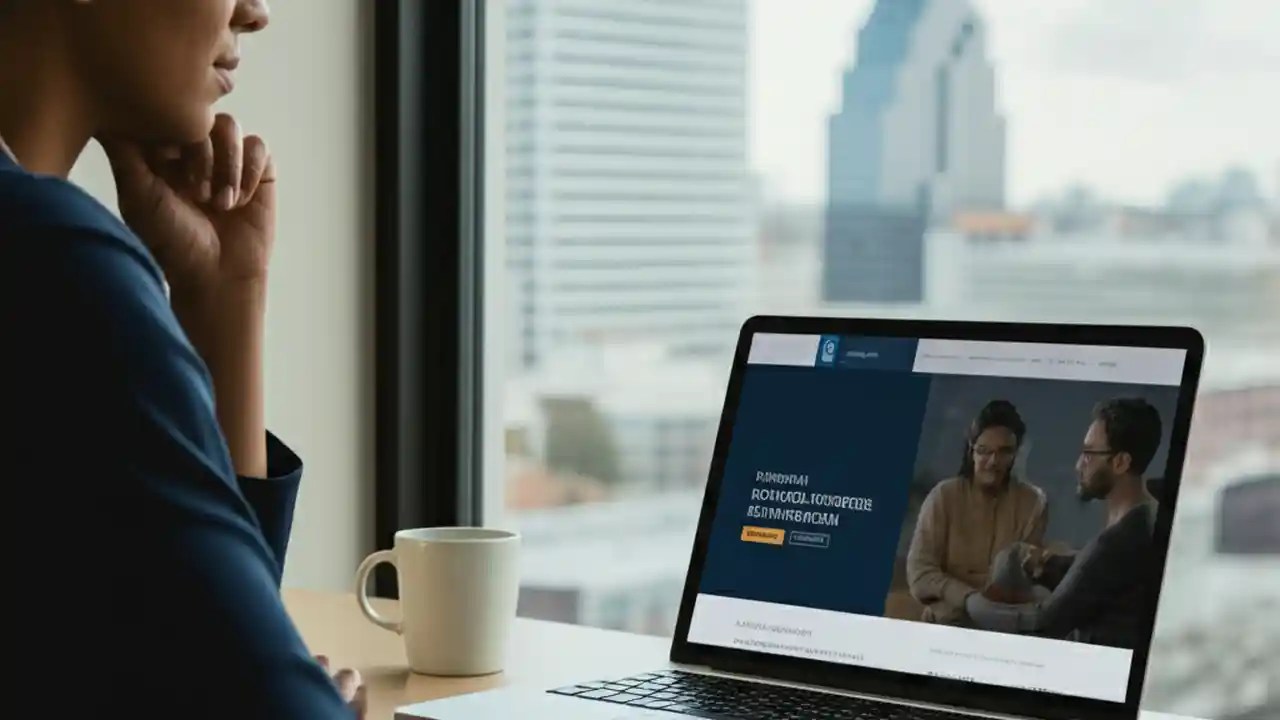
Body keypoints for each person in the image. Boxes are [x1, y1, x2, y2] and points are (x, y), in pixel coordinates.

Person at [2, 2, 362, 717]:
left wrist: (227, 295)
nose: (255, 12)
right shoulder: (48, 260)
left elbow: (202, 650)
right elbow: (254, 696)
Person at [966, 398, 1165, 649]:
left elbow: (1042, 625)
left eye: (1089, 454)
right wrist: (1051, 564)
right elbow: (1101, 577)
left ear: (1121, 462)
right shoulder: (1150, 516)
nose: (1078, 465)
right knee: (1014, 557)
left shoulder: (1117, 541)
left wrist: (969, 603)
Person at [906, 400, 1048, 624]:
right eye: (984, 451)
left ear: (1017, 453)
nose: (993, 462)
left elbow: (1026, 577)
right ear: (972, 450)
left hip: (1004, 626)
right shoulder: (944, 496)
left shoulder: (1033, 502)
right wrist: (968, 598)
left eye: (1004, 452)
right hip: (945, 624)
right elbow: (920, 572)